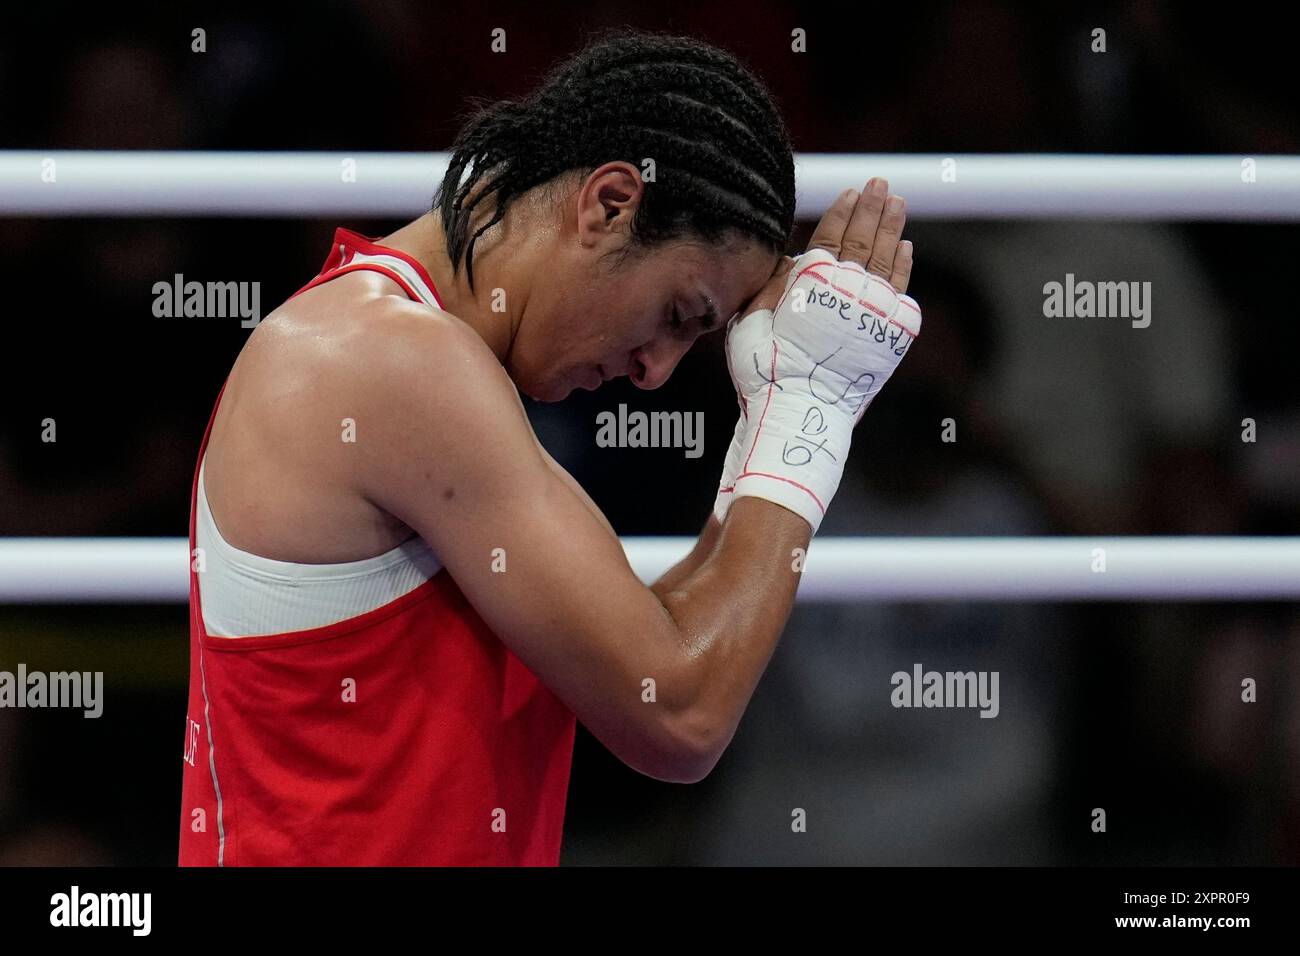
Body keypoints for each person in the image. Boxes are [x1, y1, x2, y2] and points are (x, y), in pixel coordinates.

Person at [178, 29, 919, 866]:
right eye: (680, 315)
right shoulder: (390, 363)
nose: (654, 374)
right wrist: (808, 411)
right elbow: (680, 717)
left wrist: (767, 423)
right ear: (608, 204)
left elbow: (655, 644)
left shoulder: (426, 363)